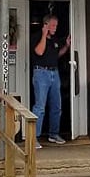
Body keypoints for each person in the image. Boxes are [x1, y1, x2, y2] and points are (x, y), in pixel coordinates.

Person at [31, 14, 70, 147]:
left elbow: (57, 54)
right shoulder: (37, 37)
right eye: (53, 25)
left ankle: (54, 134)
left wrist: (67, 46)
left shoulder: (55, 40)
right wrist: (44, 34)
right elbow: (39, 52)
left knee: (56, 106)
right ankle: (34, 137)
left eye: (56, 26)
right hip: (41, 72)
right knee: (40, 107)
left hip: (54, 73)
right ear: (46, 25)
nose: (55, 28)